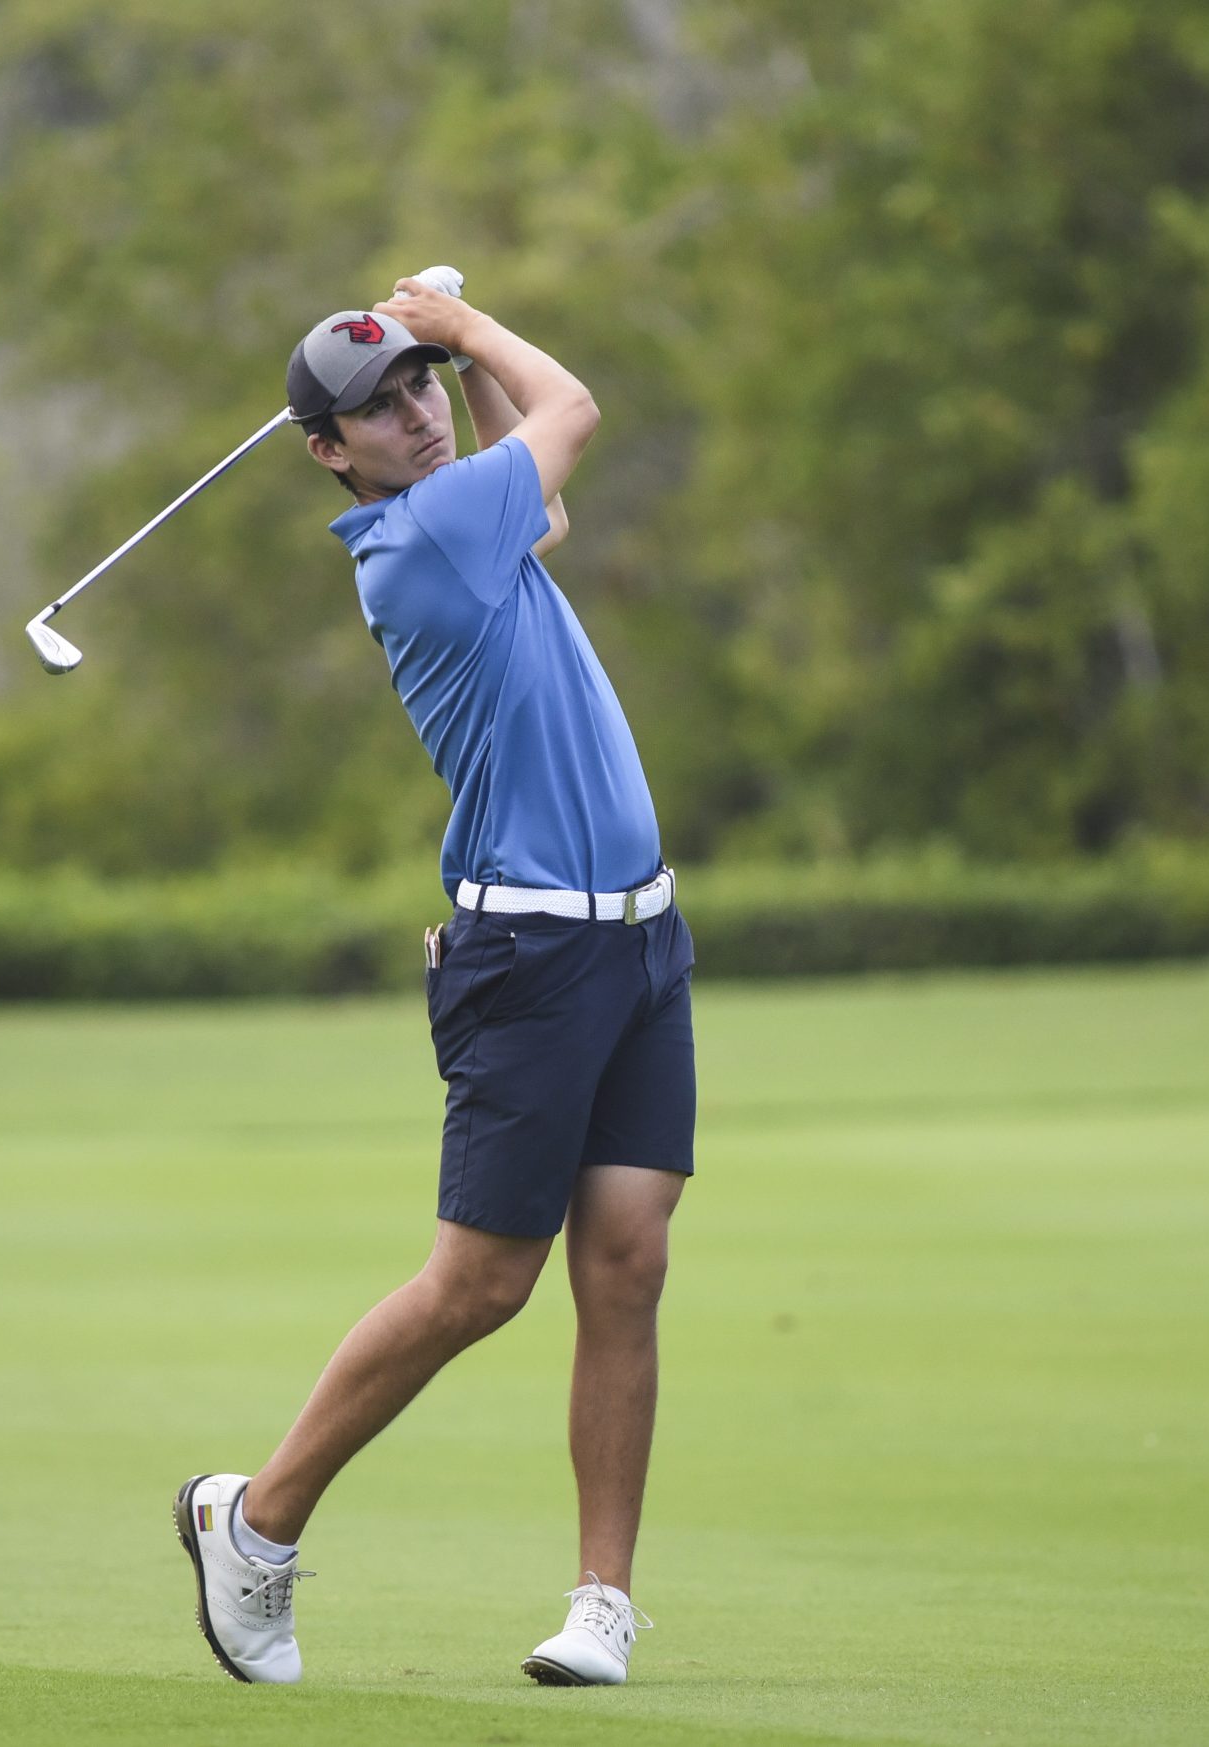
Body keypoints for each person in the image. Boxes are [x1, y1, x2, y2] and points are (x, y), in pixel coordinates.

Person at [172, 276, 696, 1689]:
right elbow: (573, 413)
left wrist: (451, 369)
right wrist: (465, 331)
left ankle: (602, 1604)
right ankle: (254, 1523)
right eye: (380, 408)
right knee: (479, 1287)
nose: (415, 416)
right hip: (531, 956)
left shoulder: (469, 521)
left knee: (630, 1264)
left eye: (418, 389)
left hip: (639, 940)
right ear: (328, 454)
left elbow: (546, 495)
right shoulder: (416, 543)